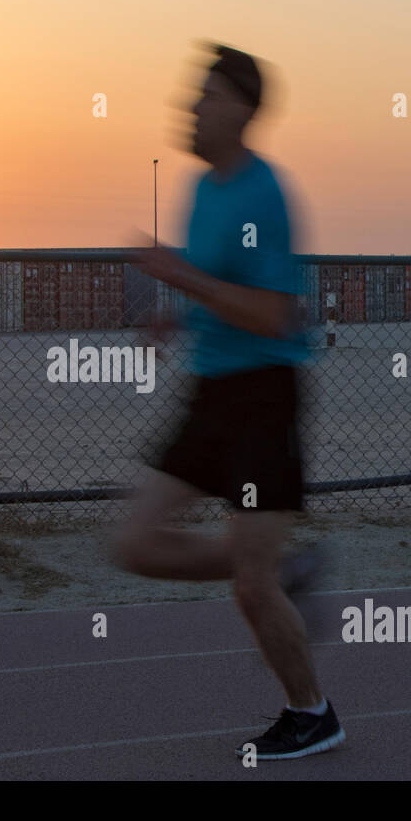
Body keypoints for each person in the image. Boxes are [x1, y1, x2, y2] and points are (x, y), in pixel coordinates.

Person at [114, 42, 343, 760]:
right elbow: (218, 287)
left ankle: (313, 712)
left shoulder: (264, 194)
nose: (191, 106)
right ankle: (281, 566)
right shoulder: (203, 190)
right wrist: (175, 314)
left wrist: (180, 280)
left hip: (263, 397)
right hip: (209, 393)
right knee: (133, 542)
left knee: (250, 587)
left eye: (206, 96)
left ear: (242, 111)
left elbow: (274, 315)